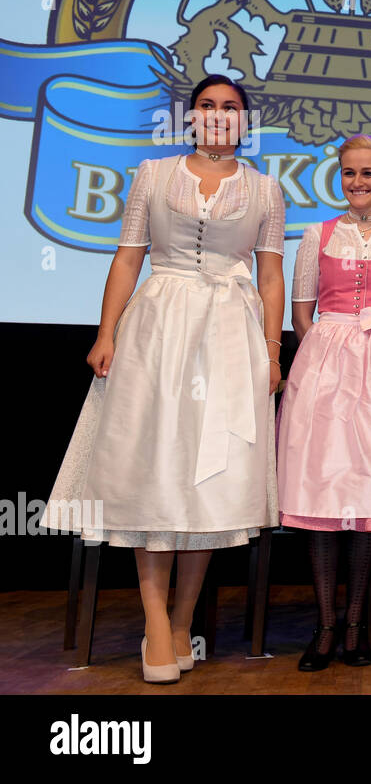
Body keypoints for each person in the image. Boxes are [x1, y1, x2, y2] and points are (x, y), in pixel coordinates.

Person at [41, 74, 284, 683]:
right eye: (207, 106)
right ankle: (154, 618)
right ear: (191, 116)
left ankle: (182, 621)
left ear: (245, 120)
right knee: (154, 469)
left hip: (230, 330)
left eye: (231, 107)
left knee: (210, 480)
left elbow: (272, 274)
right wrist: (106, 332)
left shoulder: (266, 189)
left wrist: (272, 350)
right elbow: (128, 255)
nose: (219, 115)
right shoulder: (153, 173)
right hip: (160, 325)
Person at [277, 135, 371, 670]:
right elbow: (300, 313)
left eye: (368, 173)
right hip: (326, 368)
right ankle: (324, 626)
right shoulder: (316, 235)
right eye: (349, 174)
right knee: (322, 494)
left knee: (366, 500)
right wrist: (328, 348)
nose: (358, 183)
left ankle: (358, 623)